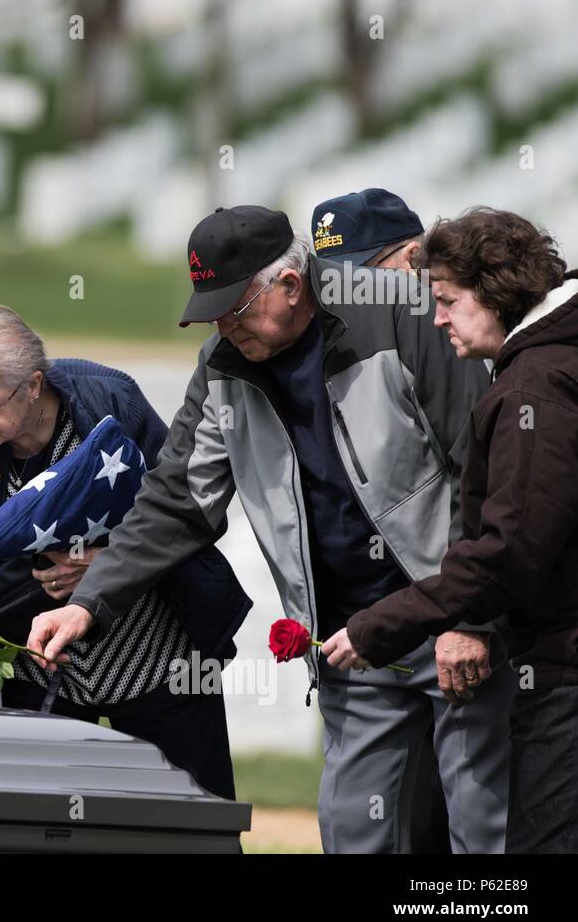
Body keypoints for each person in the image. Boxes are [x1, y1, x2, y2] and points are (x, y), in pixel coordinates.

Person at [29, 205, 512, 853]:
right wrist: (90, 601)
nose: (223, 327)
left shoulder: (406, 312)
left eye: (234, 308)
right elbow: (178, 500)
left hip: (448, 615)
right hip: (350, 638)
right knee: (353, 830)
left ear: (290, 284)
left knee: (486, 831)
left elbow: (481, 467)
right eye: (212, 313)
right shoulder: (224, 365)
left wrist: (470, 617)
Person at [0, 301, 251, 800]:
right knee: (43, 829)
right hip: (37, 671)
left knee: (193, 822)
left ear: (33, 385)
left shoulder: (109, 401)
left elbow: (183, 508)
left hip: (156, 657)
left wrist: (109, 563)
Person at [324, 208, 578, 853]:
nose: (436, 319)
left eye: (447, 300)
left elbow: (507, 552)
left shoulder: (535, 388)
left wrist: (378, 625)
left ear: (494, 290)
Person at [311, 188, 457, 855]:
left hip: (472, 620)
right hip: (375, 627)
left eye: (366, 274)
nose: (349, 292)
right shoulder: (343, 340)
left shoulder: (459, 335)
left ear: (416, 255)